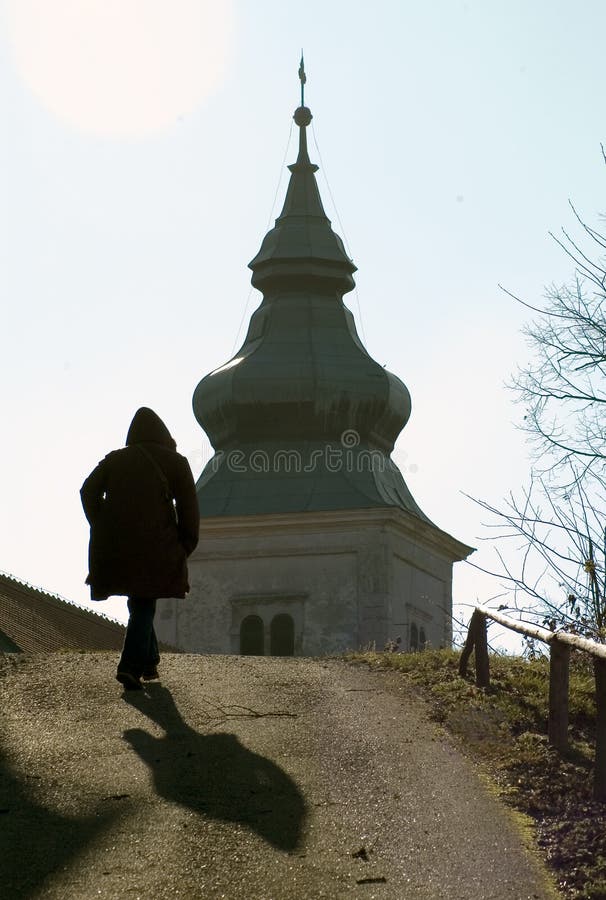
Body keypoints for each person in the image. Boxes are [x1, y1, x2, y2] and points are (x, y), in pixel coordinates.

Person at [80, 407, 200, 690]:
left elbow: (87, 491)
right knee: (144, 601)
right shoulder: (176, 463)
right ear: (165, 436)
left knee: (139, 600)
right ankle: (130, 666)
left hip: (117, 544)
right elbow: (189, 509)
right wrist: (185, 544)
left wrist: (101, 523)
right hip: (158, 544)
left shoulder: (115, 460)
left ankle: (149, 661)